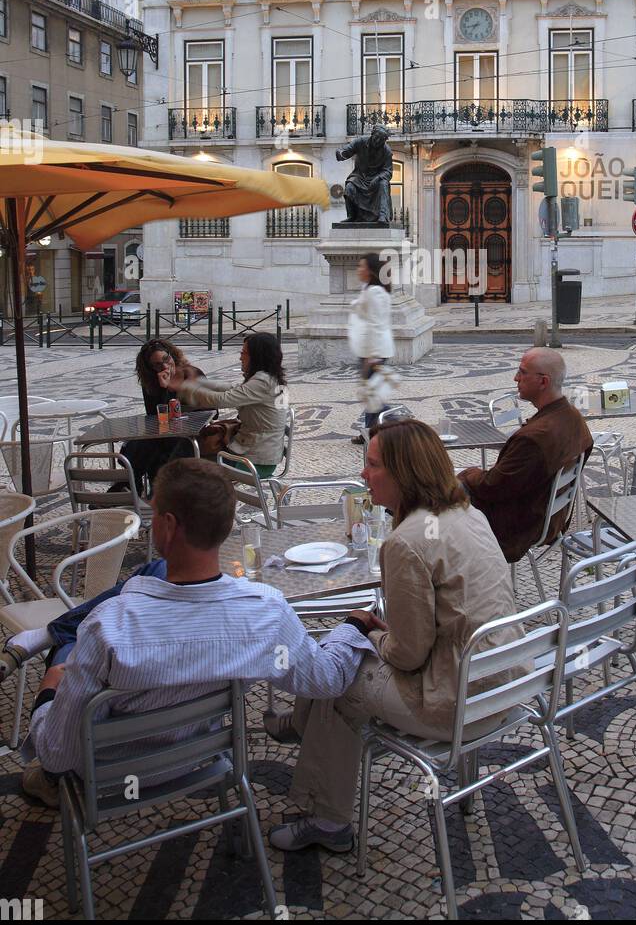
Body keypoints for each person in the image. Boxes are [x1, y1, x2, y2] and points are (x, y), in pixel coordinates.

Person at [18, 459, 376, 806]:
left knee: (61, 661)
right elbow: (325, 680)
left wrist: (48, 695)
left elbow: (58, 755)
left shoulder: (107, 626)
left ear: (168, 526)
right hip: (201, 758)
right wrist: (352, 626)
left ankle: (45, 774)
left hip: (109, 773)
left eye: (154, 513)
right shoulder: (265, 611)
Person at [265, 419, 525, 854]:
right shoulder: (468, 514)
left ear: (404, 473)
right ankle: (301, 724)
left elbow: (407, 655)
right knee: (351, 640)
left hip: (459, 701)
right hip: (506, 681)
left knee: (341, 668)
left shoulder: (405, 542)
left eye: (372, 465)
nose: (363, 475)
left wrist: (374, 636)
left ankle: (327, 818)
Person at [458, 348, 593, 564]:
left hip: (519, 527)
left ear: (543, 382)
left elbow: (491, 487)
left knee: (434, 498)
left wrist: (467, 474)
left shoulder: (535, 438)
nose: (515, 378)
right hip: (551, 517)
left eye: (522, 372)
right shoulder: (572, 417)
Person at [166, 332, 288, 478]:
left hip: (253, 461)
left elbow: (222, 399)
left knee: (187, 461)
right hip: (260, 454)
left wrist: (183, 387)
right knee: (188, 450)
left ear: (256, 356)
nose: (240, 357)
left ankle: (164, 497)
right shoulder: (270, 379)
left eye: (244, 353)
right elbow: (231, 388)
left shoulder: (263, 382)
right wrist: (197, 382)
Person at [113, 340, 205, 494]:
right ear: (149, 367)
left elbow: (210, 410)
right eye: (157, 364)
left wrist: (170, 388)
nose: (164, 366)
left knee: (152, 448)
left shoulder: (192, 374)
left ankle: (132, 488)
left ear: (172, 355)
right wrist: (164, 389)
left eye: (165, 359)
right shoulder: (151, 381)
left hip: (191, 433)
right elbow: (154, 415)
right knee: (145, 443)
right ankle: (134, 487)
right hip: (165, 434)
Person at [348, 252, 397, 441]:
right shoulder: (371, 289)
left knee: (373, 397)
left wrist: (372, 356)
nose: (358, 269)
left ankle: (398, 422)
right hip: (372, 349)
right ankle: (369, 432)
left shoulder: (374, 292)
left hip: (374, 350)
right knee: (371, 394)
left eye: (361, 266)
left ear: (370, 271)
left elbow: (377, 324)